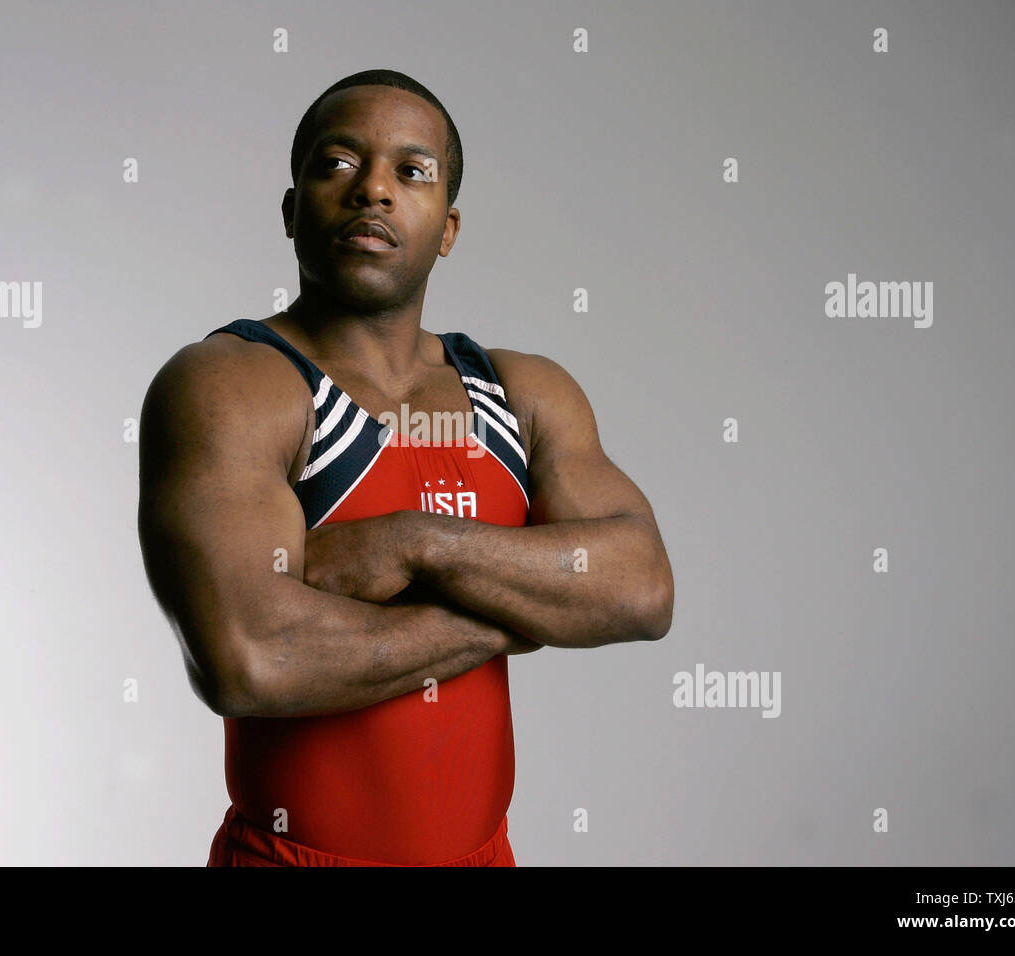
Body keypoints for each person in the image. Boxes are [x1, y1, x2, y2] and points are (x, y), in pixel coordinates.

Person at [137, 69, 673, 867]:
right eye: (338, 163)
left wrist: (419, 544)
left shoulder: (521, 392)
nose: (373, 191)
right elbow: (251, 657)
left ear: (448, 227)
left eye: (410, 171)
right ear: (290, 212)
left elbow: (641, 588)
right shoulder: (230, 384)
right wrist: (526, 611)